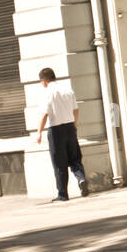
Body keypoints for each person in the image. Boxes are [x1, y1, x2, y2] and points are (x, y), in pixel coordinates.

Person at [35, 68, 88, 202]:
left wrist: (39, 132)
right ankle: (81, 178)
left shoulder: (47, 93)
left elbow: (44, 114)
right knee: (75, 157)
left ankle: (63, 194)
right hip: (70, 127)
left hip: (56, 130)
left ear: (44, 81)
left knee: (59, 162)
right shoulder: (67, 90)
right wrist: (74, 125)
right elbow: (76, 110)